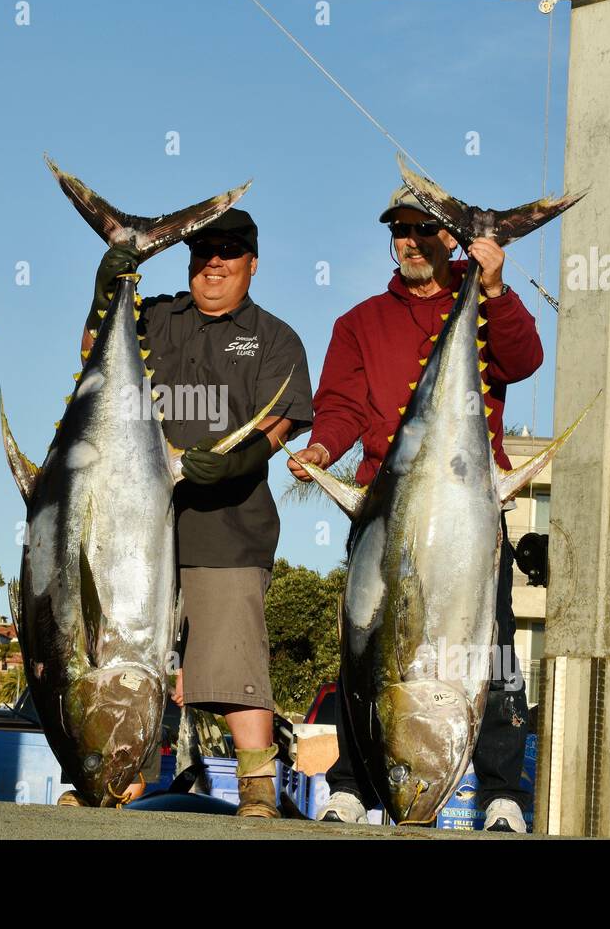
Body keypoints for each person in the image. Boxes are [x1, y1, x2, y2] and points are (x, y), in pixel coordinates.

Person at [289, 184, 538, 831]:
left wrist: (495, 289)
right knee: (362, 645)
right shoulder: (359, 323)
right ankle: (352, 785)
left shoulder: (483, 306)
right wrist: (321, 446)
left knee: (494, 649)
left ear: (448, 238)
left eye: (424, 230)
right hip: (381, 515)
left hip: (468, 514)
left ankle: (502, 792)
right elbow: (341, 407)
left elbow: (525, 358)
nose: (410, 242)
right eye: (399, 231)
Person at [86, 209, 313, 817]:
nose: (214, 262)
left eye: (229, 252)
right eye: (203, 252)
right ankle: (114, 781)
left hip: (228, 525)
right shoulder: (153, 315)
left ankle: (258, 787)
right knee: (124, 651)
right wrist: (106, 287)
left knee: (234, 656)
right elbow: (92, 356)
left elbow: (282, 419)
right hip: (136, 527)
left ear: (252, 263)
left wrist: (243, 461)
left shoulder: (275, 336)